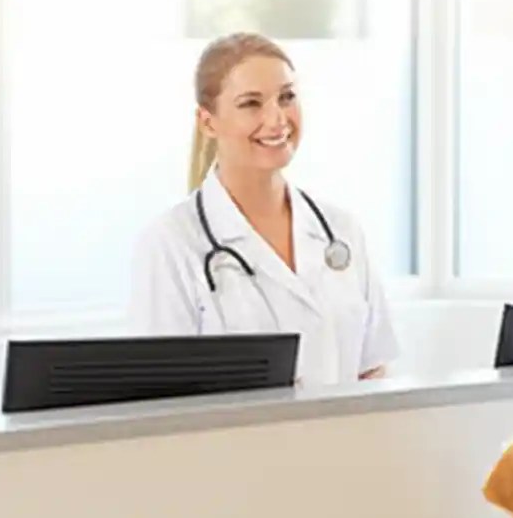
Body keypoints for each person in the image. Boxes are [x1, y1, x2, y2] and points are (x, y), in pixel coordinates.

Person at [129, 32, 399, 387]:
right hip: (235, 443)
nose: (277, 119)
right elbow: (162, 395)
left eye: (287, 97)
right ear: (208, 122)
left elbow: (372, 369)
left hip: (343, 439)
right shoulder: (171, 243)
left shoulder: (340, 231)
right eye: (251, 104)